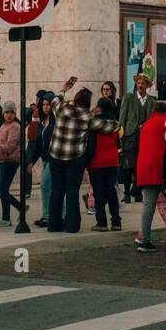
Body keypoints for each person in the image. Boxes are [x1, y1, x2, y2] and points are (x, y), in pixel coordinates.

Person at [48, 79, 119, 233]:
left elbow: (54, 100)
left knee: (57, 190)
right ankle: (71, 226)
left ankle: (54, 224)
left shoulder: (62, 109)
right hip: (75, 158)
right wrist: (118, 124)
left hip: (55, 155)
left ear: (75, 100)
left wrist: (63, 90)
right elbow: (105, 127)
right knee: (72, 190)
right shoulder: (87, 117)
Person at [134, 101, 166, 252]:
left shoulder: (146, 125)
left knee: (148, 206)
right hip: (163, 168)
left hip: (145, 168)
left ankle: (145, 240)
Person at [117, 73, 155, 204]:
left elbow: (152, 120)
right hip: (130, 135)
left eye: (143, 83)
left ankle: (138, 192)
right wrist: (120, 137)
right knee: (128, 166)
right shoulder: (128, 97)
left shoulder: (152, 101)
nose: (140, 85)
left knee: (141, 166)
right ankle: (127, 193)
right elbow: (122, 118)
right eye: (138, 83)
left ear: (147, 86)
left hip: (145, 138)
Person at [88, 96, 122, 231]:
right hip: (112, 162)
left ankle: (101, 223)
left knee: (99, 194)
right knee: (111, 192)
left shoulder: (94, 125)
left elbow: (91, 146)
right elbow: (118, 144)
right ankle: (116, 222)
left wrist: (87, 161)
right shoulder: (115, 125)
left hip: (97, 163)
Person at [0, 101, 24, 225]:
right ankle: (21, 208)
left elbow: (10, 145)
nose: (9, 115)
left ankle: (6, 218)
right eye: (7, 112)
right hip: (1, 159)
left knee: (2, 188)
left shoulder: (15, 126)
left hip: (10, 160)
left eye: (12, 112)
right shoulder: (3, 126)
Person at [30, 91, 56, 227]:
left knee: (47, 186)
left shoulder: (55, 122)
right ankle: (47, 215)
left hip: (54, 159)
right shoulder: (42, 122)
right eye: (43, 104)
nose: (45, 107)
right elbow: (38, 143)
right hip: (45, 159)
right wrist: (32, 161)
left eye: (48, 104)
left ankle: (50, 216)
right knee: (49, 188)